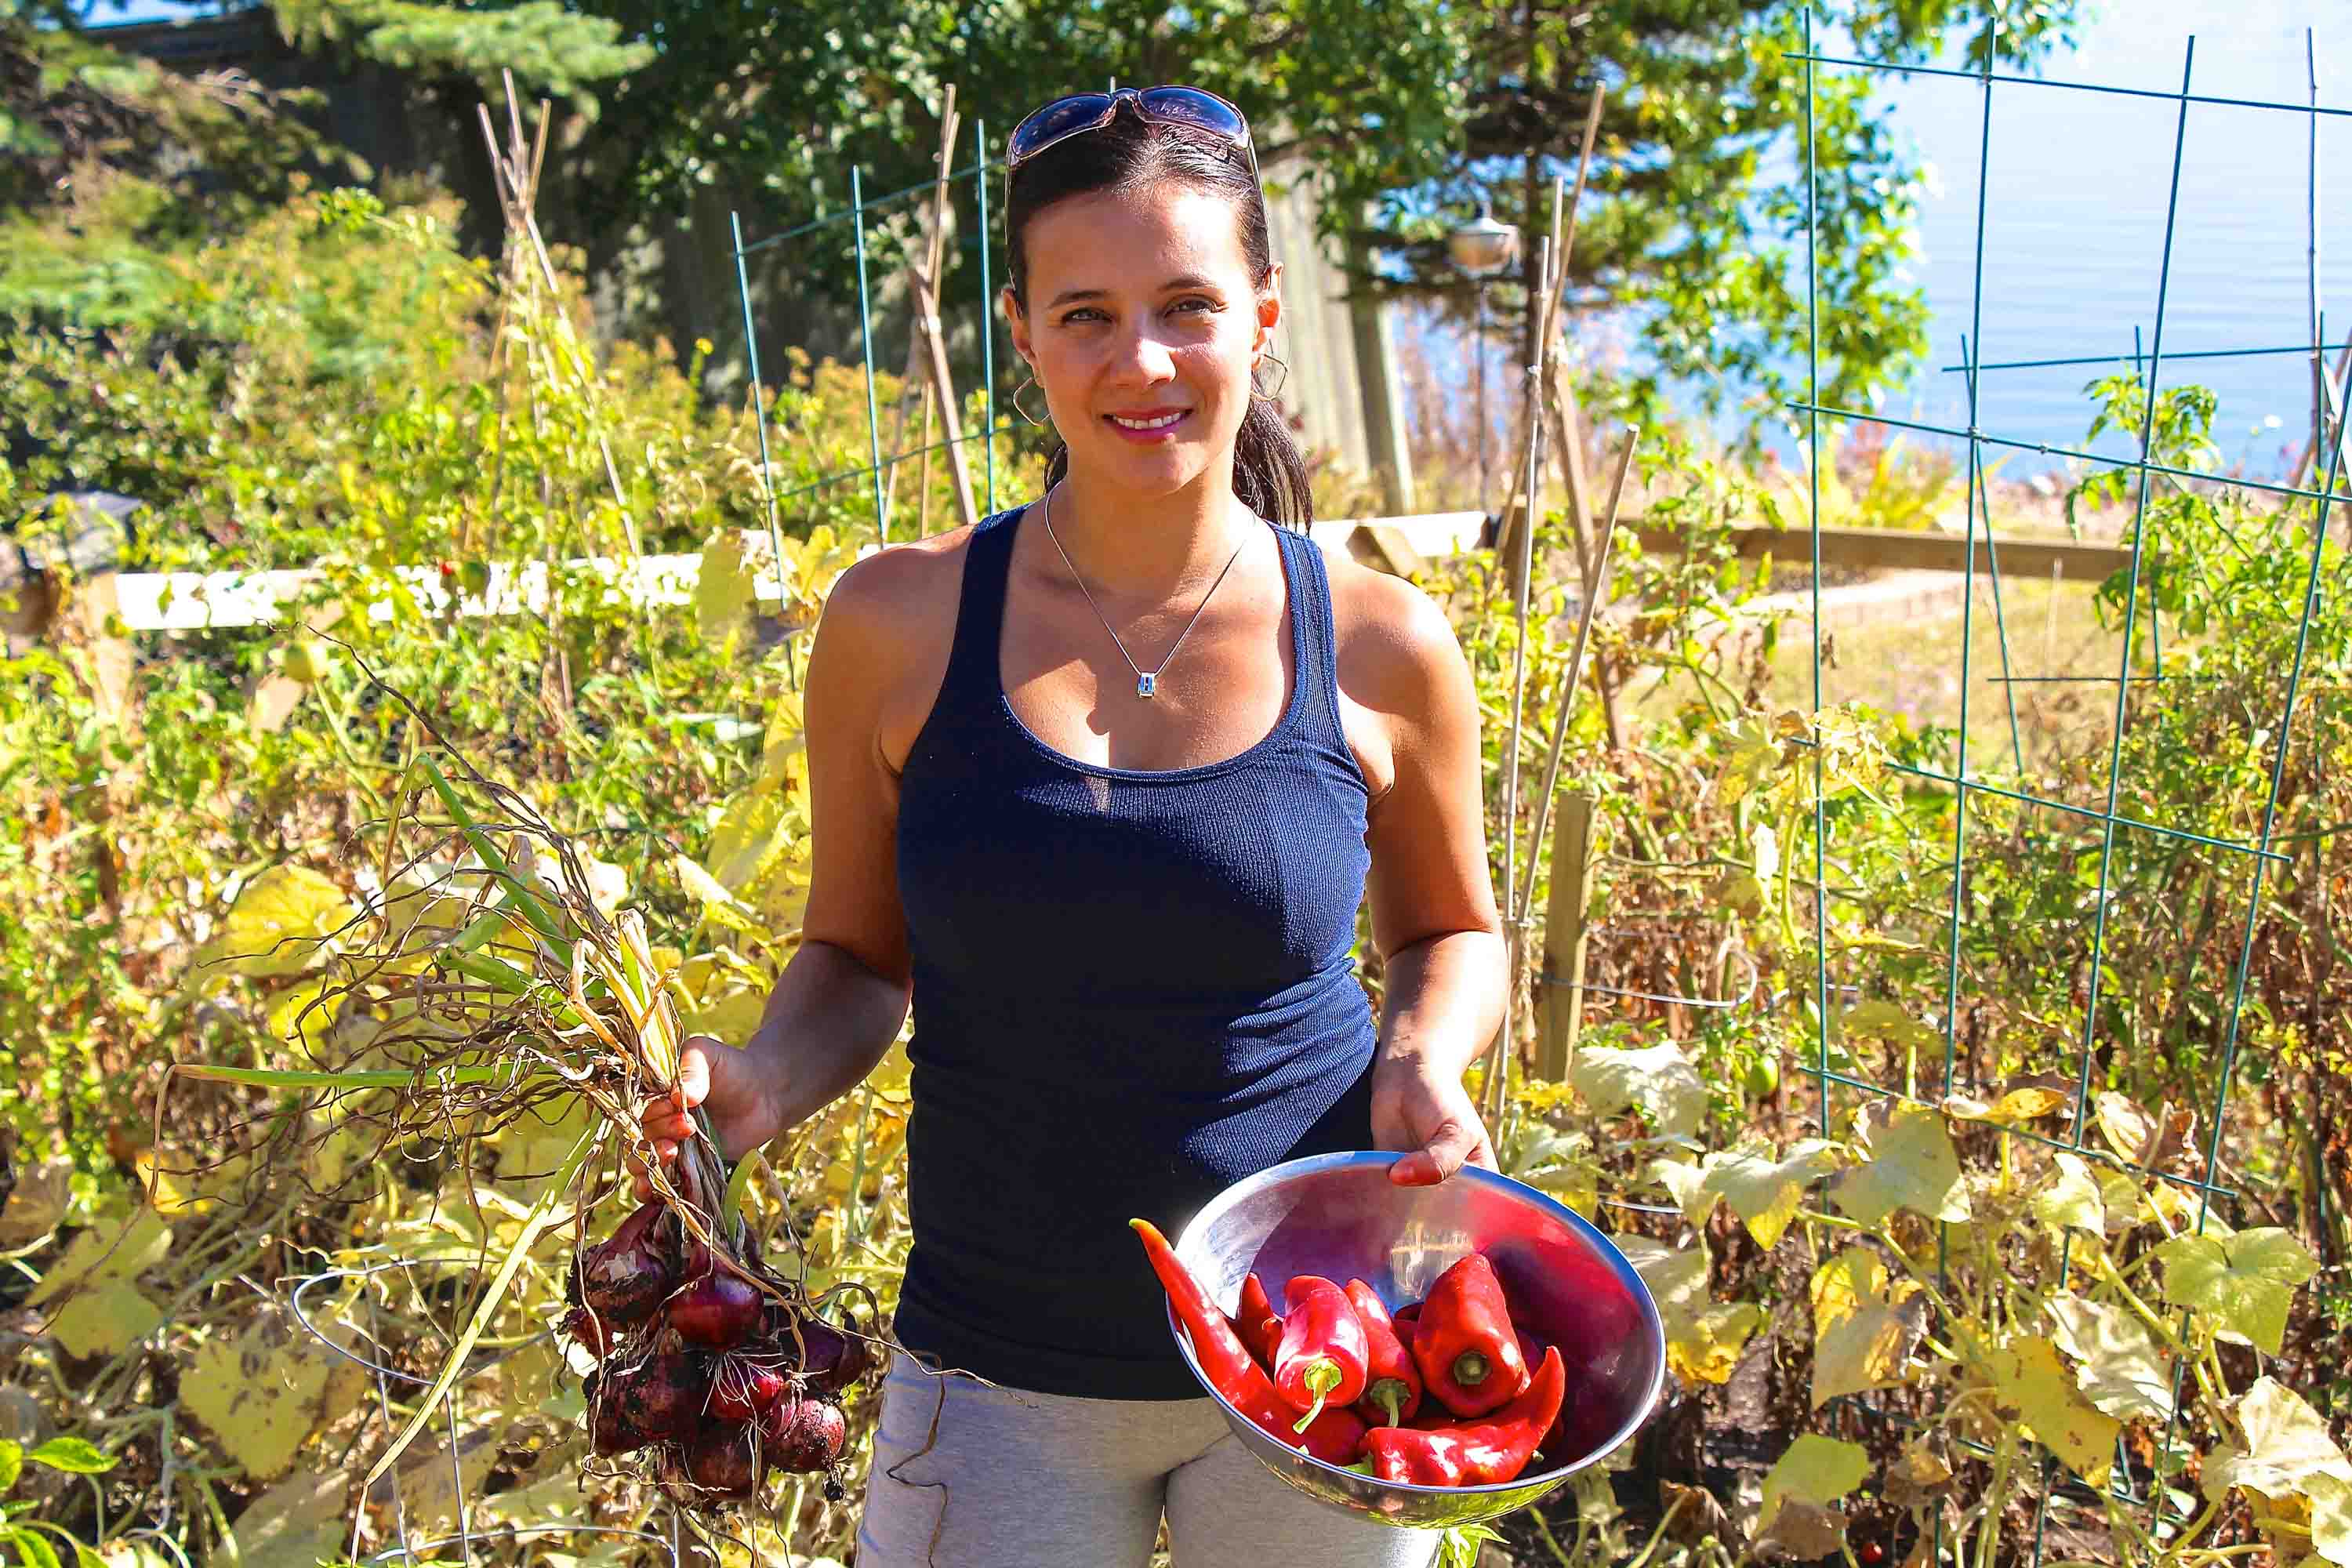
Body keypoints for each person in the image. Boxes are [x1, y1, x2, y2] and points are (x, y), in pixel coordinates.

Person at [639, 83, 1506, 1566]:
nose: (1143, 361)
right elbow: (854, 955)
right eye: (1088, 313)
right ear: (1023, 330)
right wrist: (763, 1078)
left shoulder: (1378, 640)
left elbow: (1450, 930)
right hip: (991, 1367)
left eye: (1187, 304)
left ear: (1263, 316)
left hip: (1322, 1357)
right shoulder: (899, 622)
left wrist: (1422, 1057)